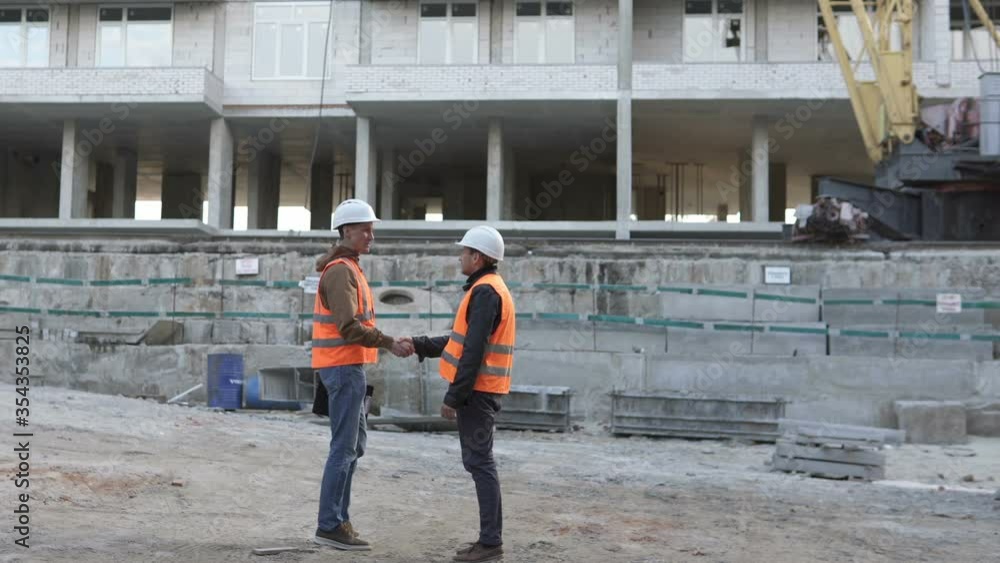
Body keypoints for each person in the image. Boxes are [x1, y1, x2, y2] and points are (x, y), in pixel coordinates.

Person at [407, 225, 515, 563]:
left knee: (480, 463)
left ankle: (490, 544)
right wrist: (418, 344)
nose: (460, 257)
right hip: (481, 391)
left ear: (478, 257)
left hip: (477, 393)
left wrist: (453, 397)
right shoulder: (487, 289)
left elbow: (473, 352)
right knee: (480, 462)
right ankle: (489, 541)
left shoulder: (485, 293)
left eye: (464, 253)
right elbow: (459, 341)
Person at [312, 199, 413, 551]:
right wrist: (388, 342)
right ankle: (330, 524)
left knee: (354, 446)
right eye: (365, 229)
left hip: (347, 367)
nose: (371, 235)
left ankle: (338, 520)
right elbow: (348, 327)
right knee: (343, 448)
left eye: (372, 228)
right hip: (342, 368)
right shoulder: (341, 271)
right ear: (346, 231)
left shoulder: (349, 267)